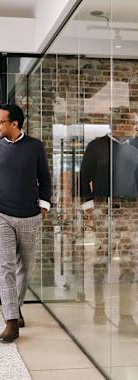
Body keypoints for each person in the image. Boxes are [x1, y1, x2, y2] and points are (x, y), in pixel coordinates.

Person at [0, 104, 51, 343]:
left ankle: (16, 307)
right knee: (6, 268)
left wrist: (44, 205)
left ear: (14, 124)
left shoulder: (35, 147)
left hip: (30, 216)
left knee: (24, 268)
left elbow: (45, 177)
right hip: (2, 216)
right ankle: (10, 321)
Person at [80, 107, 138, 335]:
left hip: (131, 210)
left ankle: (126, 316)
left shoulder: (136, 145)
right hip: (103, 208)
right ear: (119, 124)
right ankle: (100, 307)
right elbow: (84, 179)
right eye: (133, 123)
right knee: (102, 258)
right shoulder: (96, 146)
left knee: (129, 261)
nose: (136, 127)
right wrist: (89, 209)